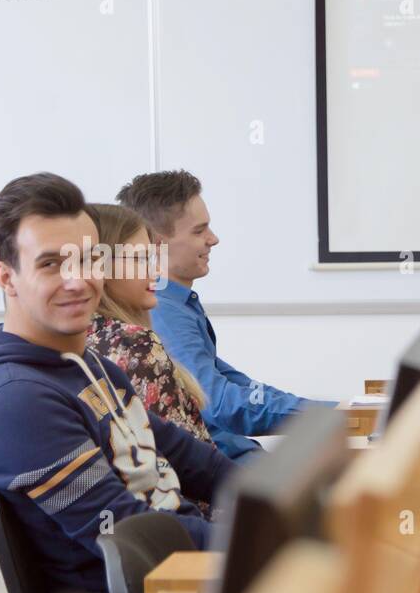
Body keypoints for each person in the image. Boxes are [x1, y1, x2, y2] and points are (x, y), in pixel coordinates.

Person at [0, 173, 234, 593]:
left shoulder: (90, 367)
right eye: (51, 264)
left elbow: (198, 462)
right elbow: (132, 536)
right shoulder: (17, 403)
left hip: (187, 574)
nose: (78, 280)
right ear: (7, 278)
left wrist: (275, 505)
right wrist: (258, 543)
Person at [116, 170, 336, 460]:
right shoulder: (163, 312)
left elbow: (238, 385)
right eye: (199, 231)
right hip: (217, 473)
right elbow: (217, 402)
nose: (214, 239)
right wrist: (329, 418)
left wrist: (330, 412)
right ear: (155, 243)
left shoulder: (179, 305)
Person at [85, 203, 213, 446]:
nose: (154, 270)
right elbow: (190, 457)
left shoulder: (81, 337)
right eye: (140, 259)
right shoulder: (135, 344)